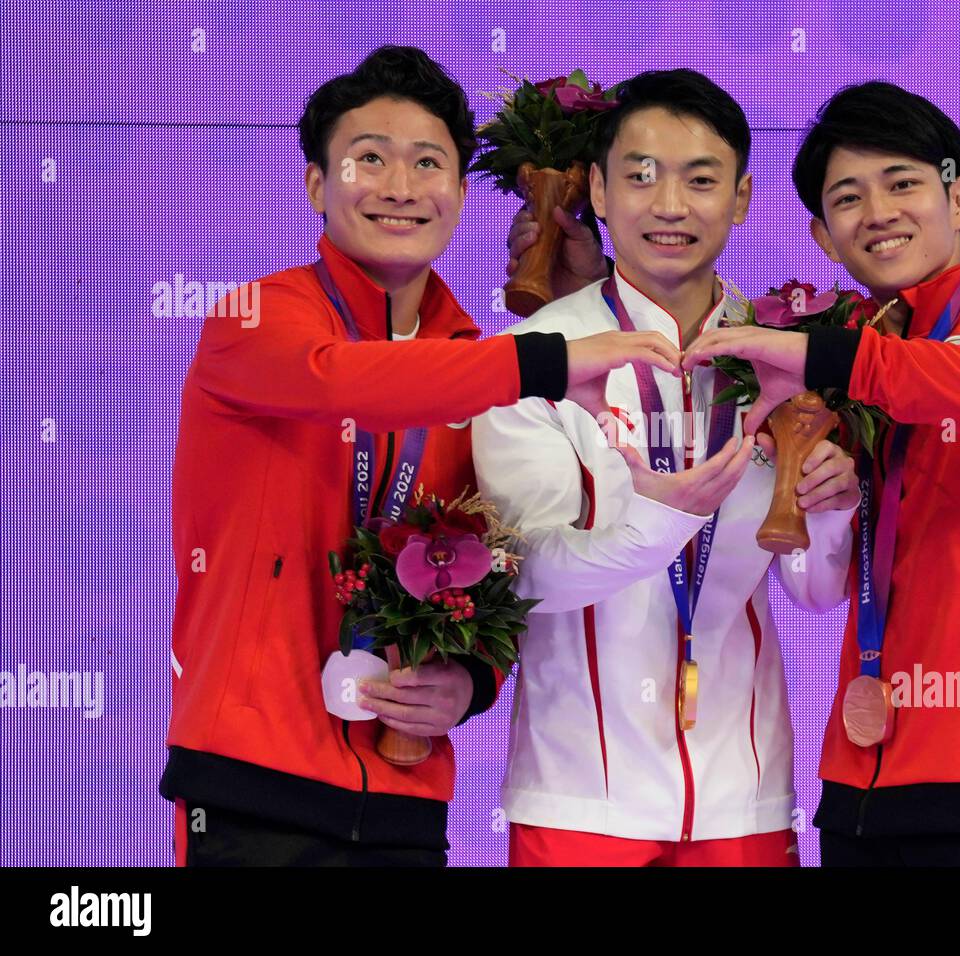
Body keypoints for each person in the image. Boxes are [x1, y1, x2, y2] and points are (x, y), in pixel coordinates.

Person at [160, 45, 678, 866]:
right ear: (316, 186)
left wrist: (470, 682)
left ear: (462, 195)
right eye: (369, 159)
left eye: (428, 162)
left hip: (405, 793)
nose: (401, 187)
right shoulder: (256, 318)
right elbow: (343, 383)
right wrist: (539, 360)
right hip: (249, 776)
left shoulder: (476, 359)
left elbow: (507, 560)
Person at [683, 81, 960, 867]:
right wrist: (829, 504)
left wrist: (835, 357)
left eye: (903, 183)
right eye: (848, 198)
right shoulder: (831, 367)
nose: (878, 212)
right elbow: (815, 589)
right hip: (860, 786)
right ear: (823, 234)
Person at [473, 69, 860, 866]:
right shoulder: (531, 358)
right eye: (642, 176)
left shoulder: (787, 354)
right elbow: (529, 575)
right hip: (579, 795)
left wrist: (832, 505)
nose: (671, 206)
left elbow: (816, 593)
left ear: (743, 198)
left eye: (701, 179)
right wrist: (668, 515)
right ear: (599, 193)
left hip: (743, 792)